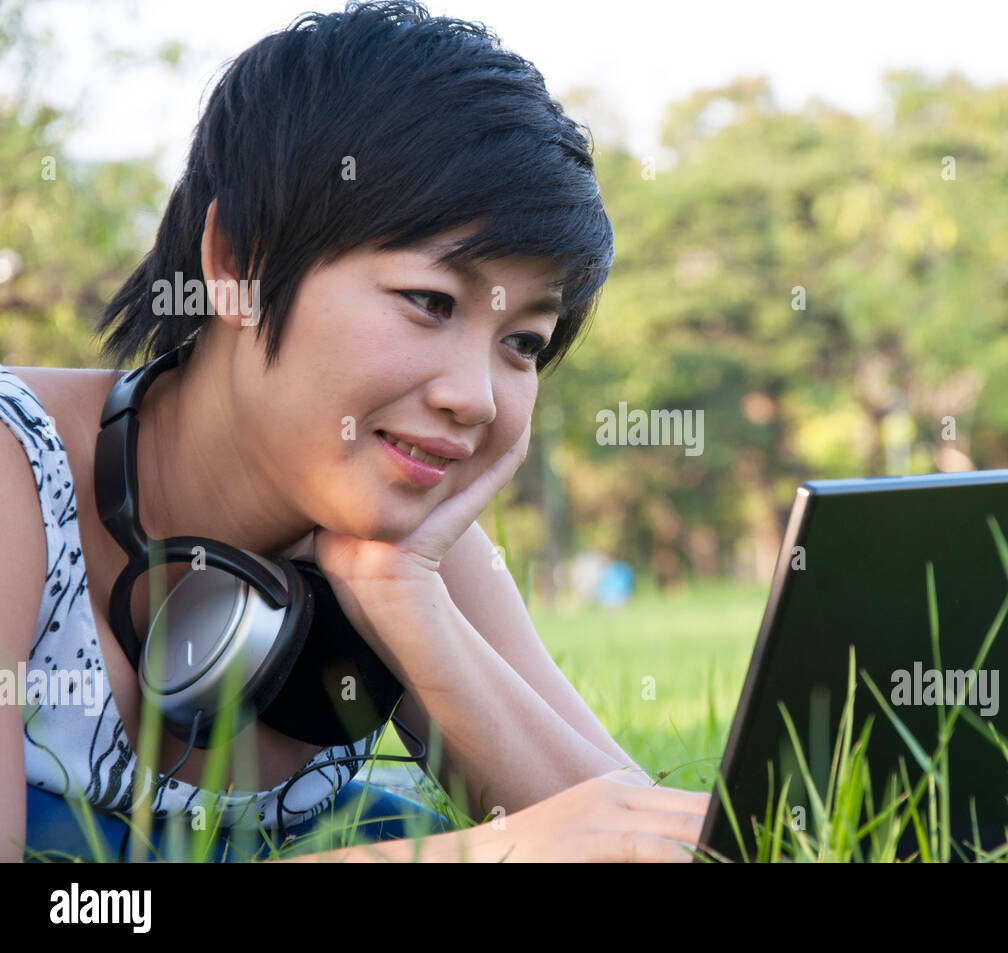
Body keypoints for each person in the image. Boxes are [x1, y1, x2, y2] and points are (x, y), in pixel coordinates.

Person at [0, 1, 708, 863]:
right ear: (238, 261)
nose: (477, 397)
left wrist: (401, 589)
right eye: (430, 302)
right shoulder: (16, 470)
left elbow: (647, 839)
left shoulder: (409, 540)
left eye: (523, 341)